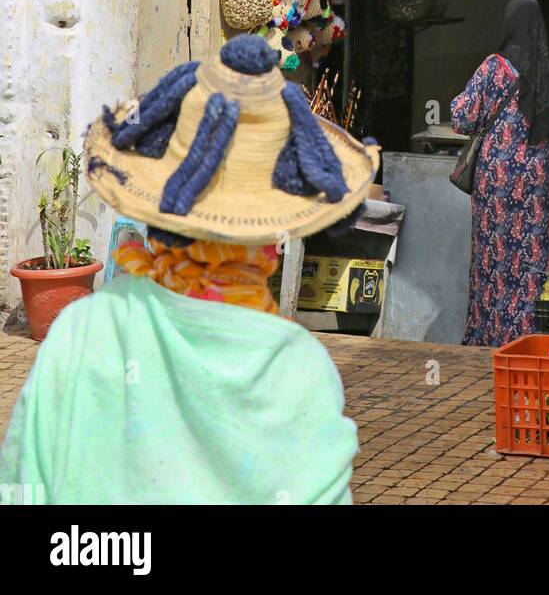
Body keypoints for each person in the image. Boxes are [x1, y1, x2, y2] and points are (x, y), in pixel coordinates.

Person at [0, 34, 379, 505]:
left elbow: (20, 488)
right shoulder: (300, 371)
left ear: (158, 212)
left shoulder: (82, 332)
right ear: (275, 238)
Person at [451, 0, 549, 347]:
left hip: (495, 184)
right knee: (535, 268)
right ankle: (529, 344)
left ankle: (487, 342)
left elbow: (461, 118)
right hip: (539, 186)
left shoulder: (494, 68)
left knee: (492, 265)